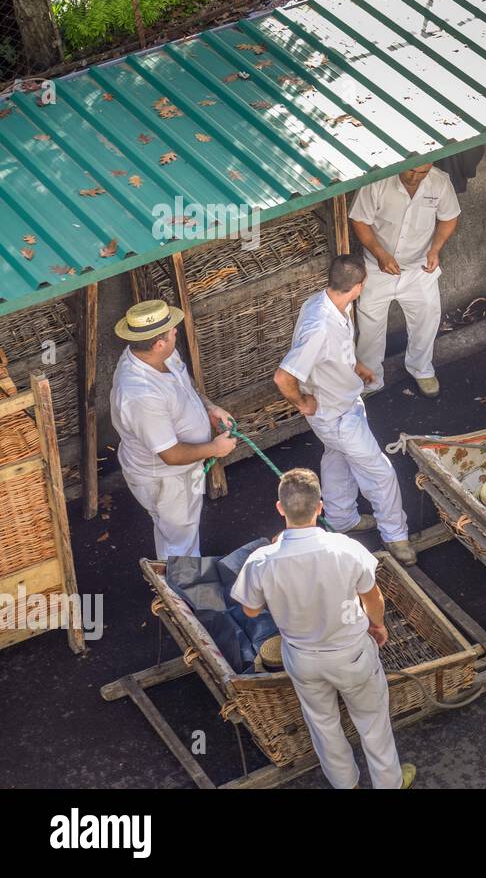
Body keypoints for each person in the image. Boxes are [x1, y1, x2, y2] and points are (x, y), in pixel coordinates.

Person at [232, 468, 417, 789]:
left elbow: (250, 609)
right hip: (352, 655)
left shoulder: (262, 561)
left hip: (303, 660)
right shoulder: (346, 549)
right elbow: (373, 597)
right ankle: (390, 783)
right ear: (320, 507)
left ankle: (347, 785)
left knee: (324, 726)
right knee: (373, 723)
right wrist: (377, 625)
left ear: (280, 509)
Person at [273, 254, 415, 564]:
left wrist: (356, 365)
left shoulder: (324, 302)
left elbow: (335, 352)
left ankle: (342, 519)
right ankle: (396, 535)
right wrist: (302, 401)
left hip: (339, 408)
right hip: (336, 414)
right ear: (360, 286)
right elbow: (283, 376)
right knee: (380, 473)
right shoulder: (319, 327)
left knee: (336, 457)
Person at [109, 300, 236, 561]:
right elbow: (170, 454)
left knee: (184, 528)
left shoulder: (159, 354)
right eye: (171, 331)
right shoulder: (140, 395)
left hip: (181, 473)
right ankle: (179, 593)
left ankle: (185, 578)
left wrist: (210, 408)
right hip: (165, 479)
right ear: (159, 343)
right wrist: (215, 448)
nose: (175, 331)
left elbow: (184, 381)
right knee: (178, 539)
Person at [349, 163, 461, 398]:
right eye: (412, 170)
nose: (416, 177)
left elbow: (450, 218)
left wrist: (436, 249)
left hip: (420, 268)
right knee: (370, 327)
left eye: (423, 172)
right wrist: (380, 254)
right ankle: (371, 379)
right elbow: (359, 220)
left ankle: (421, 369)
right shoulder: (376, 182)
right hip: (378, 268)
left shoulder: (440, 181)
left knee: (427, 318)